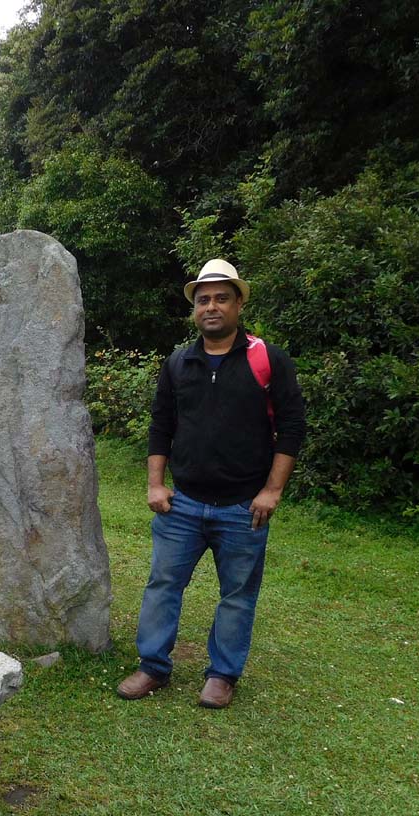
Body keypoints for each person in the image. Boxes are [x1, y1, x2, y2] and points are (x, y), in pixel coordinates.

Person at [116, 260, 305, 709]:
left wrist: (272, 490)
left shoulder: (268, 360)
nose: (212, 307)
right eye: (204, 300)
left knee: (237, 595)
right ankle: (152, 666)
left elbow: (293, 427)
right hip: (182, 505)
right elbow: (161, 425)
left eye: (222, 298)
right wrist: (156, 484)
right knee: (163, 584)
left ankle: (222, 675)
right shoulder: (180, 362)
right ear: (194, 309)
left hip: (243, 507)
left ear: (239, 303)